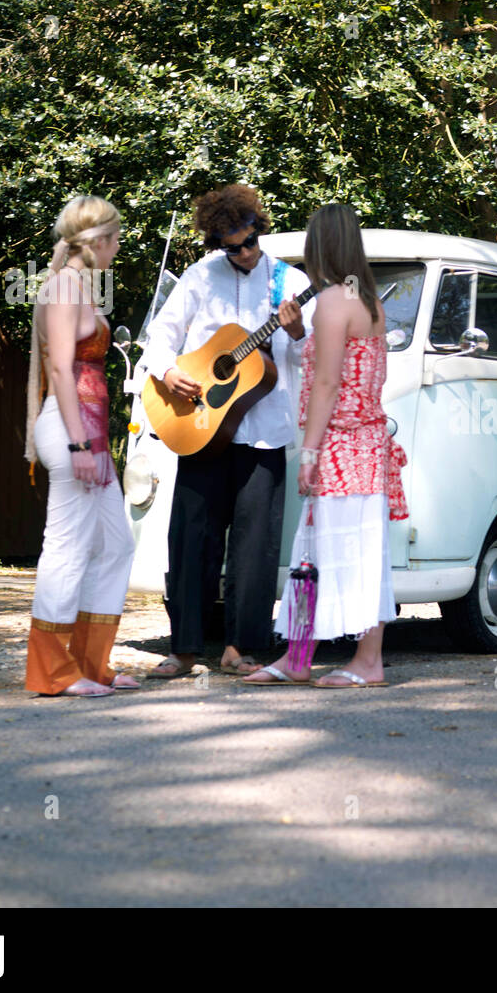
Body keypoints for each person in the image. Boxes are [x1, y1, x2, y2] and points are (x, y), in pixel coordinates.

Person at [139, 185, 312, 678]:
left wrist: (298, 332)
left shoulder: (291, 281)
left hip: (265, 430)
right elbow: (161, 339)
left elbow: (311, 357)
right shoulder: (198, 277)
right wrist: (168, 372)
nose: (244, 252)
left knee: (255, 545)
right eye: (231, 246)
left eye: (250, 241)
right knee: (192, 537)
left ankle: (241, 647)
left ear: (259, 228)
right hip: (200, 425)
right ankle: (184, 649)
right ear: (216, 243)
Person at [245, 203, 407, 687]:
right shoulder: (367, 300)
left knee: (348, 551)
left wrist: (310, 452)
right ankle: (299, 655)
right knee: (319, 552)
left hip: (345, 446)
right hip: (363, 445)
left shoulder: (336, 300)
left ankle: (368, 662)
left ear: (319, 246)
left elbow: (327, 384)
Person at [24, 195, 137, 697]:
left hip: (88, 433)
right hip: (72, 432)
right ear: (96, 241)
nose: (118, 248)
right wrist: (78, 445)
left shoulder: (79, 287)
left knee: (116, 544)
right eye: (114, 239)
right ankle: (51, 671)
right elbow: (59, 371)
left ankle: (90, 663)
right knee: (67, 548)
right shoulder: (66, 288)